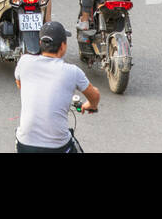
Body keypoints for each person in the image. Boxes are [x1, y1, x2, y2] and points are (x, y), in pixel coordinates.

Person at [13, 20, 100, 153]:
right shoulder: (72, 71)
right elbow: (95, 96)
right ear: (63, 46)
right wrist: (90, 105)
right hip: (58, 147)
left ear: (40, 43)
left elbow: (20, 84)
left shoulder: (24, 61)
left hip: (25, 145)